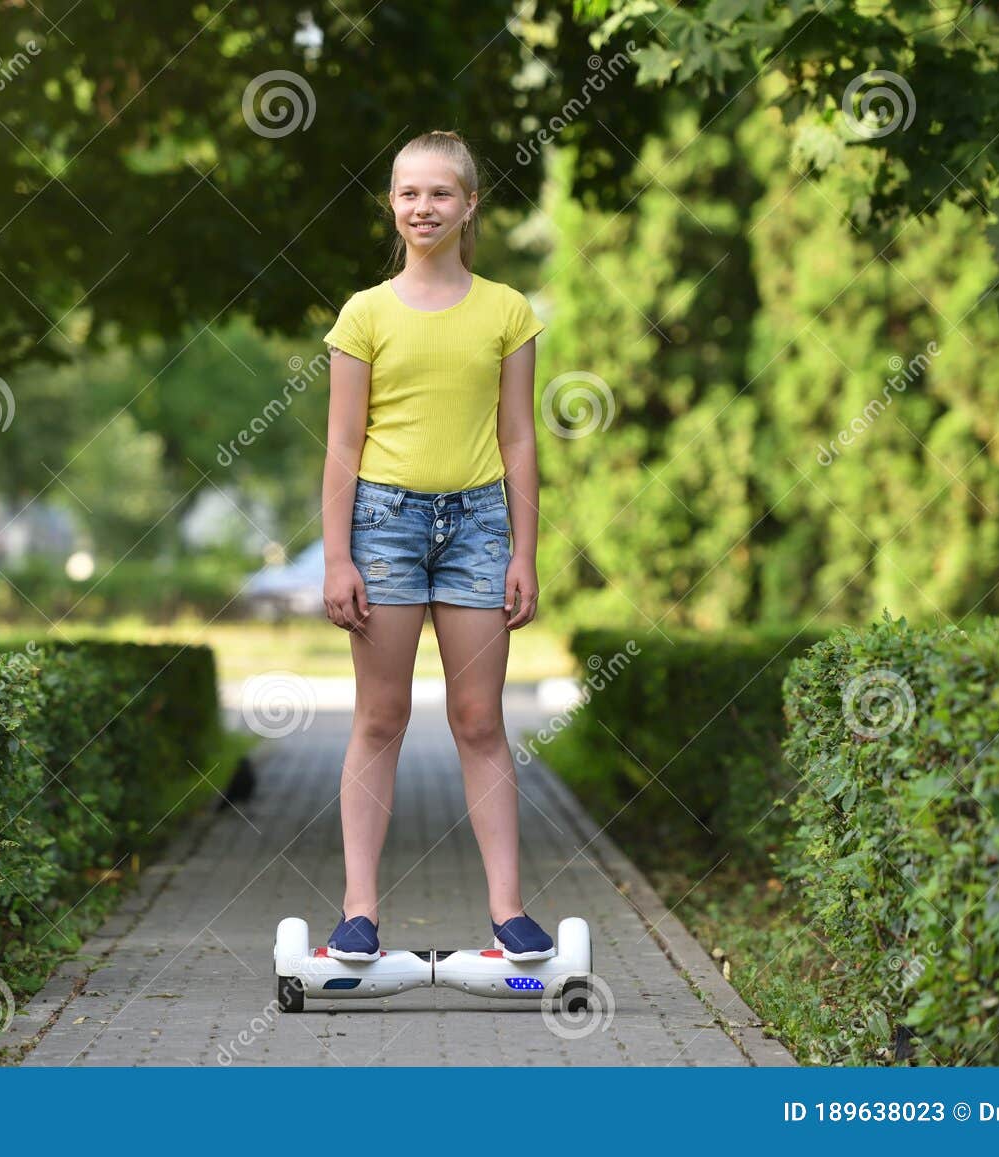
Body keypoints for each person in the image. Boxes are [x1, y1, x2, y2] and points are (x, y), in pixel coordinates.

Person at [318, 130, 552, 963]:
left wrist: (525, 550)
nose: (424, 207)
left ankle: (509, 913)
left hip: (481, 524)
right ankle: (358, 914)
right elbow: (343, 444)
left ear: (469, 205)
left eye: (440, 194)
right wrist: (337, 554)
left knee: (479, 717)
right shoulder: (365, 314)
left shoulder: (508, 312)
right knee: (381, 715)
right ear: (392, 204)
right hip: (382, 522)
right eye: (409, 193)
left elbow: (519, 438)